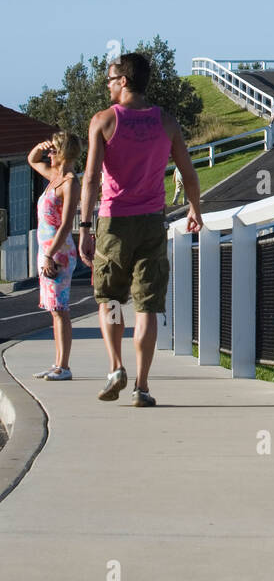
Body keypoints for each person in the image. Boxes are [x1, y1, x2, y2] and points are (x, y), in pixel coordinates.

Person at [78, 52, 203, 408]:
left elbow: (89, 178)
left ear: (125, 81)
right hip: (151, 222)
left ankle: (116, 367)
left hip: (113, 223)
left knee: (112, 299)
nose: (107, 85)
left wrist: (85, 227)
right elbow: (189, 174)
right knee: (147, 305)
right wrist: (195, 208)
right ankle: (142, 386)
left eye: (110, 79)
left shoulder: (103, 121)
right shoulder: (166, 122)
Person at [27, 132, 81, 381]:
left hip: (57, 253)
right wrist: (40, 145)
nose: (48, 155)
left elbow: (67, 224)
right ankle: (57, 363)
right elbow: (32, 159)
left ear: (63, 153)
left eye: (52, 150)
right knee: (54, 310)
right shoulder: (54, 178)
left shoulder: (69, 182)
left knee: (60, 309)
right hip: (47, 251)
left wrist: (49, 255)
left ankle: (65, 366)